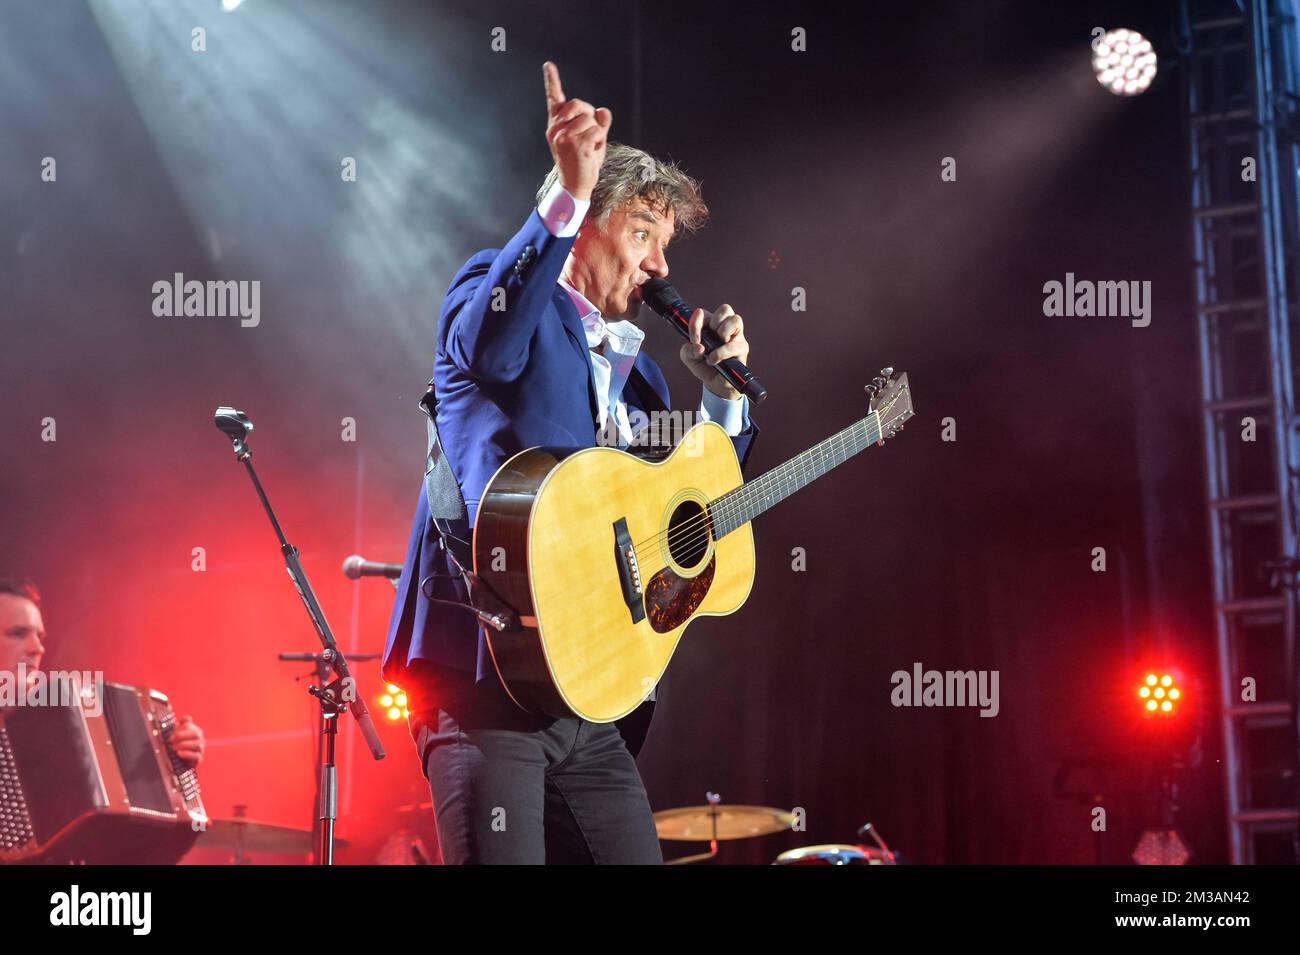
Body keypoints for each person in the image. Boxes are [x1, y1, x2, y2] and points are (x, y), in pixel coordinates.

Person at [383, 61, 760, 864]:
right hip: (483, 680)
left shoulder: (650, 377)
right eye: (644, 235)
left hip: (588, 701)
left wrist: (719, 397)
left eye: (666, 245)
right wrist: (565, 191)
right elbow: (490, 344)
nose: (661, 265)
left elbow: (698, 508)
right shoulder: (493, 292)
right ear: (588, 222)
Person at [0, 577, 205, 766]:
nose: (38, 648)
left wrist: (175, 753)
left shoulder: (56, 722)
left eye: (40, 637)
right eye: (18, 634)